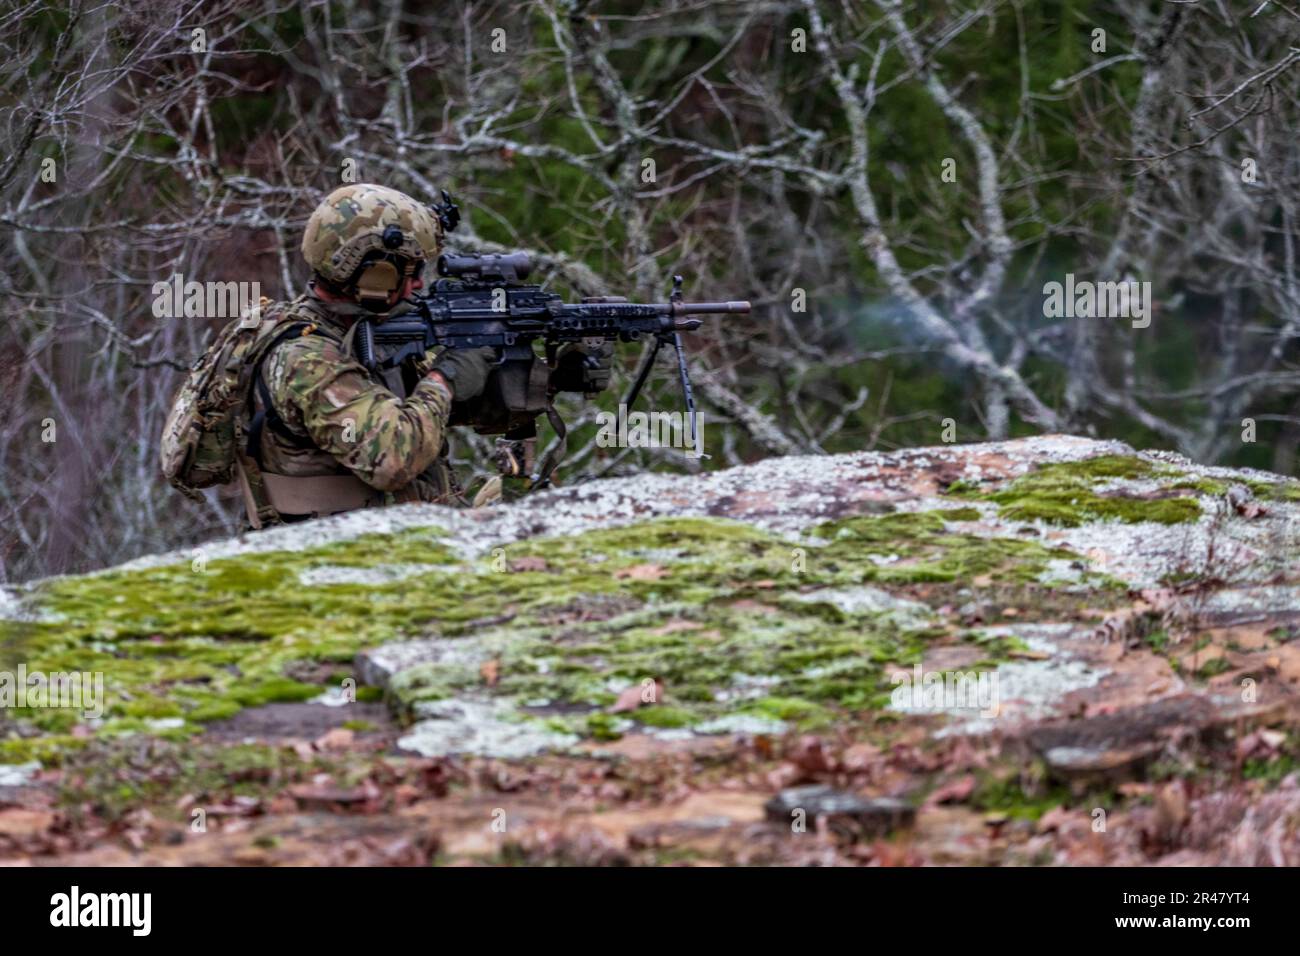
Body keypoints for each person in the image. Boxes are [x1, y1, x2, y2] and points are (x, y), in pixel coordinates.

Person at [226, 183, 607, 527]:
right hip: (329, 554)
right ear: (372, 272)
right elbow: (392, 457)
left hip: (382, 535)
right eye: (409, 270)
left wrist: (548, 378)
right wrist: (445, 377)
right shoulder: (306, 356)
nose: (419, 283)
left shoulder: (360, 331)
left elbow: (438, 408)